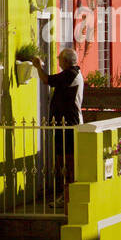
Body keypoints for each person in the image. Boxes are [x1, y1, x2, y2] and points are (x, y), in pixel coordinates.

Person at [33, 46, 83, 202]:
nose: (58, 61)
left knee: (67, 161)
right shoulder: (72, 73)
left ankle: (69, 195)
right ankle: (66, 194)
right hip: (64, 124)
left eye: (59, 59)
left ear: (66, 61)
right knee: (62, 160)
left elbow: (47, 80)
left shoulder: (71, 74)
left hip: (69, 124)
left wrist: (38, 67)